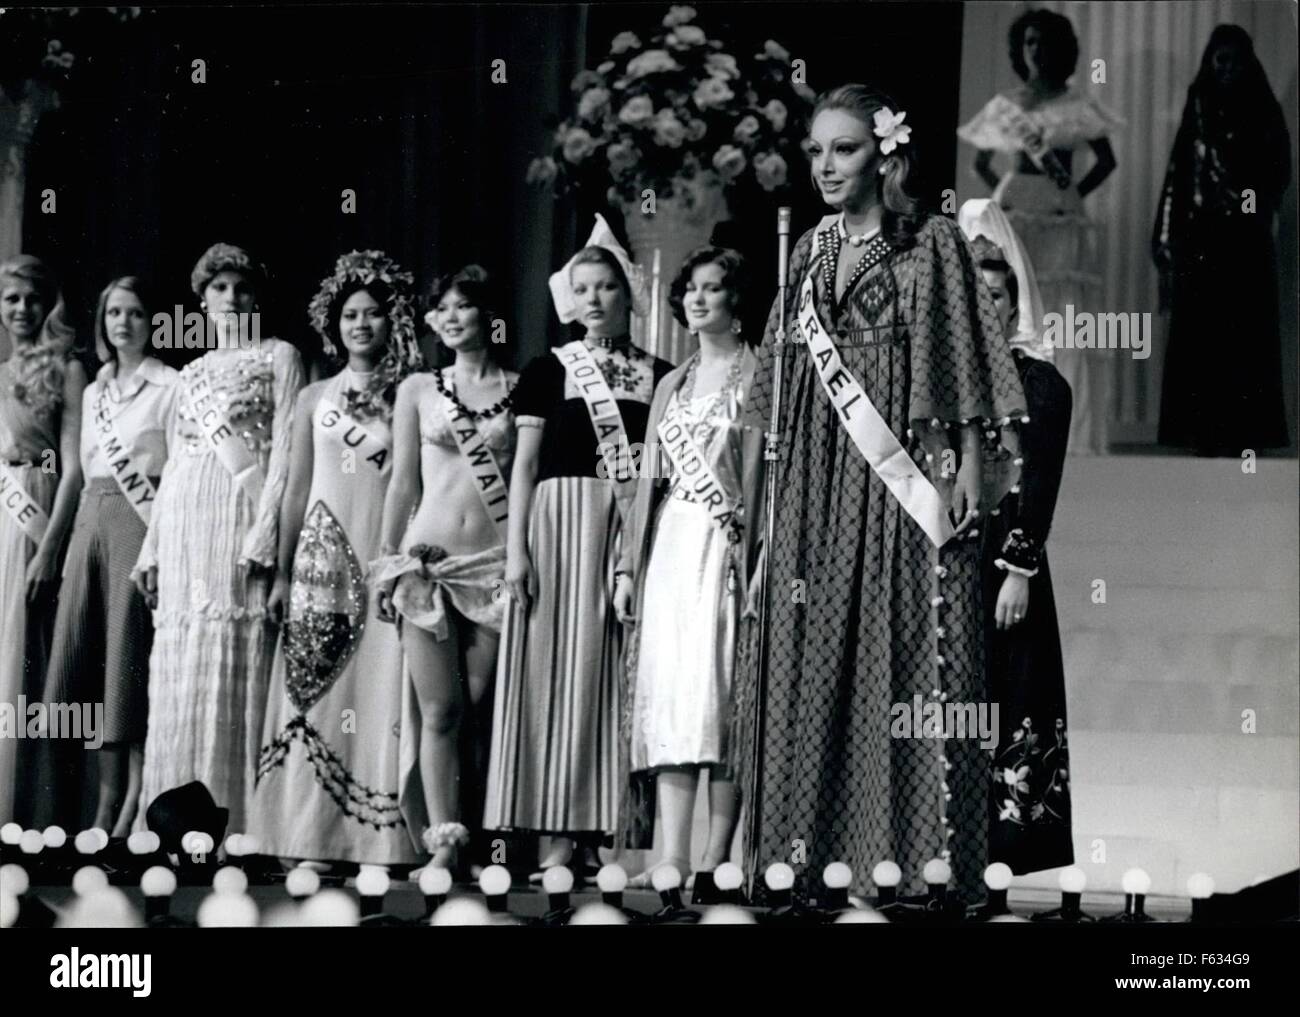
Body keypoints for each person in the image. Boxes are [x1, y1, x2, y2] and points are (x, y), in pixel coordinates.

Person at [735, 85, 1027, 905]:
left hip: (907, 472)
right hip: (818, 480)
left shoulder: (930, 240)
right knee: (818, 653)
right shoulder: (809, 251)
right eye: (817, 150)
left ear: (884, 154)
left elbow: (965, 354)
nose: (827, 166)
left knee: (904, 661)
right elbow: (776, 381)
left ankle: (913, 867)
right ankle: (811, 863)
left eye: (846, 149)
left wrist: (972, 458)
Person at [484, 217, 673, 881]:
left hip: (626, 528)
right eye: (583, 288)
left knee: (611, 678)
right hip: (555, 526)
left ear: (629, 295)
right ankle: (553, 838)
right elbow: (525, 466)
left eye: (608, 287)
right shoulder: (546, 369)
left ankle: (602, 833)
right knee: (551, 679)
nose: (595, 299)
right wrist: (516, 553)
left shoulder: (662, 376)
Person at [250, 250, 424, 866]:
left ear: (393, 321)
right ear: (333, 323)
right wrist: (279, 571)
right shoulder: (313, 397)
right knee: (315, 692)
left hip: (379, 556)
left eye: (374, 314)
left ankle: (373, 841)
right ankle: (306, 838)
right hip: (319, 561)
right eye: (350, 314)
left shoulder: (412, 394)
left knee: (376, 691)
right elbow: (295, 488)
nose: (361, 325)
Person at [132, 242, 303, 832]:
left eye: (242, 288)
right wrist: (152, 547)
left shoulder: (281, 356)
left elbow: (285, 452)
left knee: (239, 647)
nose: (231, 299)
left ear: (256, 297)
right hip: (185, 523)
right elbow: (176, 462)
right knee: (185, 655)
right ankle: (172, 826)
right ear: (202, 300)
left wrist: (266, 534)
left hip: (241, 515)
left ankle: (239, 826)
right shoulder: (191, 376)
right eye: (219, 289)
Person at [612, 246, 762, 889]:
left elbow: (768, 484)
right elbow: (648, 482)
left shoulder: (763, 378)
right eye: (692, 290)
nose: (699, 300)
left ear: (736, 299)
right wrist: (627, 567)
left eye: (713, 289)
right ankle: (671, 856)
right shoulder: (671, 382)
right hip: (671, 545)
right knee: (673, 696)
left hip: (726, 546)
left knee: (720, 691)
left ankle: (715, 858)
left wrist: (761, 561)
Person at [370, 265, 517, 872]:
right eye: (444, 309)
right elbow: (402, 480)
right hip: (426, 566)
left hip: (491, 565)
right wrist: (386, 564)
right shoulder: (418, 390)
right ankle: (446, 844)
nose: (454, 318)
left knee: (477, 709)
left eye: (466, 306)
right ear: (432, 321)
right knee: (439, 711)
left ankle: (482, 838)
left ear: (488, 315)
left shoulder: (519, 383)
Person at [959, 199, 1074, 875]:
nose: (986, 307)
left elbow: (1041, 482)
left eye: (997, 296)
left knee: (1014, 696)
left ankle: (1005, 853)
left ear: (1013, 303)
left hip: (1008, 565)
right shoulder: (943, 388)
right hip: (954, 560)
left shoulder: (1042, 383)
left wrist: (1020, 569)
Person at [42, 276, 179, 837]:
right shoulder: (94, 390)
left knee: (127, 660)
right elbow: (80, 467)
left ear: (153, 322)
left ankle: (129, 806)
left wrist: (160, 546)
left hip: (139, 521)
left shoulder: (170, 385)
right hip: (91, 522)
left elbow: (174, 474)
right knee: (91, 662)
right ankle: (101, 806)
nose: (124, 323)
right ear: (103, 322)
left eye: (137, 313)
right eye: (114, 313)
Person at [959, 8, 1120, 455]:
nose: (1036, 51)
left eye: (1044, 42)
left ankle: (1073, 436)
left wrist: (1071, 194)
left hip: (1060, 212)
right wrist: (1009, 197)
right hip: (1019, 214)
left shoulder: (1079, 104)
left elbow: (1107, 161)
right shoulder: (1007, 106)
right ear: (1019, 49)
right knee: (1018, 306)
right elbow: (981, 164)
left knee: (1066, 317)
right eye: (1029, 42)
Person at [1153, 24, 1291, 455]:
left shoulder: (1264, 110)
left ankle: (1245, 431)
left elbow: (1277, 172)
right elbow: (1178, 175)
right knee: (1202, 335)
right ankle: (1202, 430)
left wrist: (1246, 204)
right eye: (1221, 59)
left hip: (1245, 242)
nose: (1228, 68)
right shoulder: (1198, 106)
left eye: (1235, 60)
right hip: (1201, 240)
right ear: (1211, 63)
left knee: (1243, 335)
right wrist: (1164, 241)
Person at [0, 254, 86, 826]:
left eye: (33, 299)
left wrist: (51, 547)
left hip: (41, 504)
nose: (22, 309)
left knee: (28, 653)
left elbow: (76, 465)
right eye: (11, 299)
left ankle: (29, 811)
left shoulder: (68, 368)